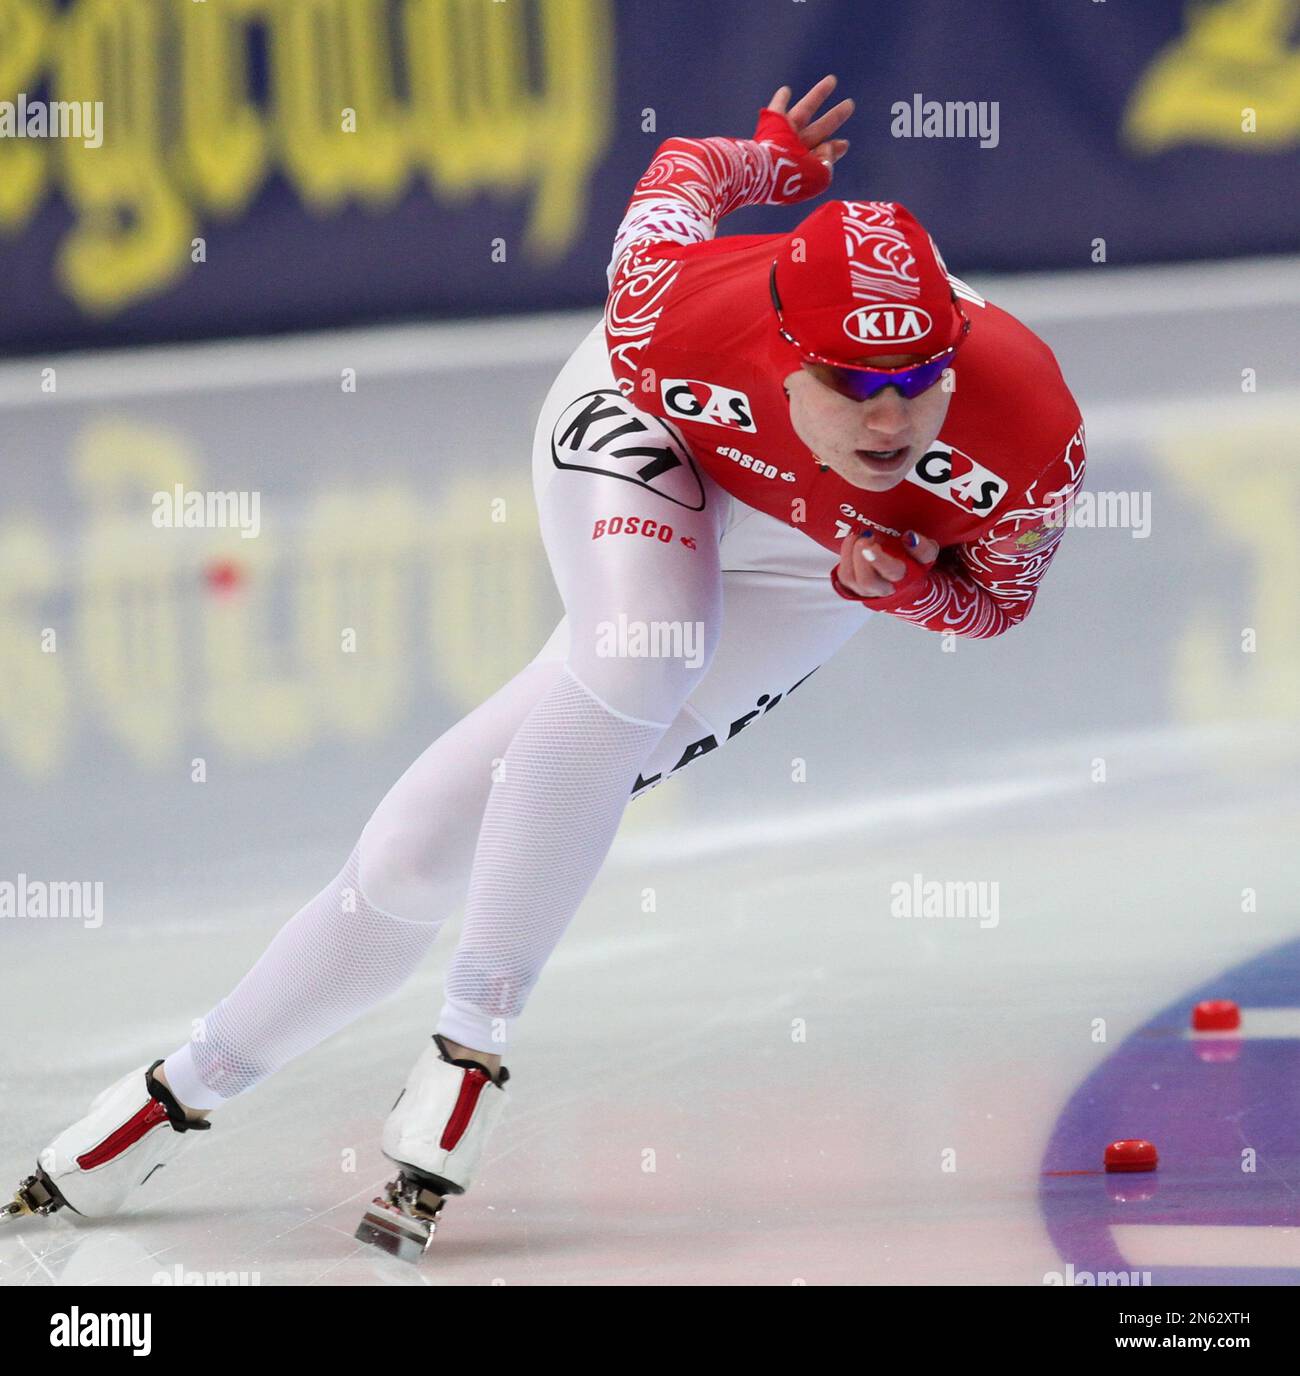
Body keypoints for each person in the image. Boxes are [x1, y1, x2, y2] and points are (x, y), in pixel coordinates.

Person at [4, 78, 1084, 1255]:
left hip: (809, 556)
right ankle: (473, 1045)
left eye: (918, 376)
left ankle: (167, 1097)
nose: (890, 420)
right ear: (784, 353)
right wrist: (766, 159)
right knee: (638, 645)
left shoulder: (1023, 430)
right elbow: (682, 174)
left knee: (426, 848)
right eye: (850, 381)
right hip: (658, 433)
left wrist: (911, 584)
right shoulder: (668, 314)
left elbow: (1001, 603)